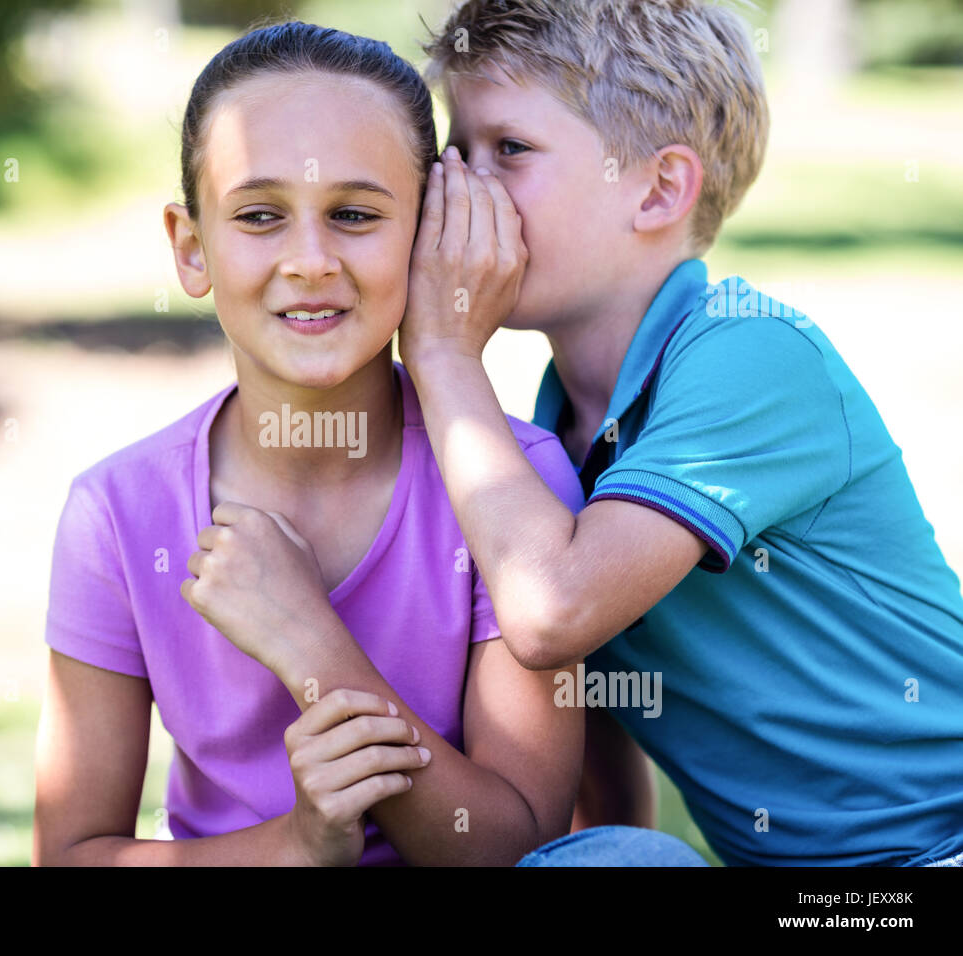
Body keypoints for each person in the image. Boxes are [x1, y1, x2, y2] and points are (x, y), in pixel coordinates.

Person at [395, 0, 963, 866]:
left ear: (659, 189)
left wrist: (439, 351)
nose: (459, 187)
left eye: (509, 150)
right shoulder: (555, 432)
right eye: (457, 149)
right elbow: (599, 759)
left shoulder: (752, 352)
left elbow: (553, 613)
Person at [31, 21, 589, 867]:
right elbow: (72, 855)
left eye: (355, 214)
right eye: (260, 216)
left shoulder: (514, 487)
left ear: (431, 229)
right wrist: (294, 846)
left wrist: (313, 646)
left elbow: (517, 843)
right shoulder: (117, 513)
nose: (311, 260)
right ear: (192, 248)